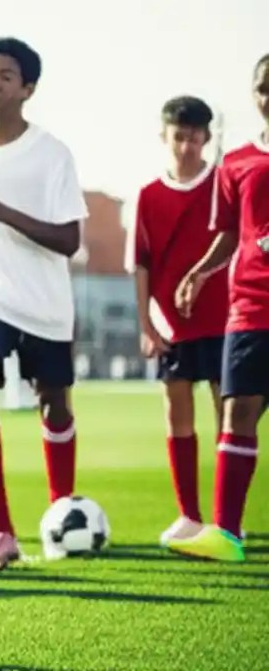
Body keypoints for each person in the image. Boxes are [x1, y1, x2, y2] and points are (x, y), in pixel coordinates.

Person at [0, 37, 88, 574]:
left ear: (28, 89)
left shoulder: (53, 154)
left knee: (55, 405)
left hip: (44, 301)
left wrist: (0, 209)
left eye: (6, 75)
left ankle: (62, 514)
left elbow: (70, 240)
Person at [170, 52, 269, 562]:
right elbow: (232, 234)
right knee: (237, 411)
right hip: (250, 307)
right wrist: (199, 271)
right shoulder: (237, 164)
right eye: (264, 88)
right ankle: (227, 535)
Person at [128, 95, 228, 545]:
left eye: (194, 137)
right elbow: (141, 263)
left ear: (206, 137)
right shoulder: (148, 195)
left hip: (226, 319)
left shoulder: (224, 184)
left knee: (230, 416)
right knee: (177, 413)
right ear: (163, 136)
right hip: (172, 324)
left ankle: (229, 516)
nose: (186, 146)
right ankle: (188, 513)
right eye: (178, 137)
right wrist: (146, 324)